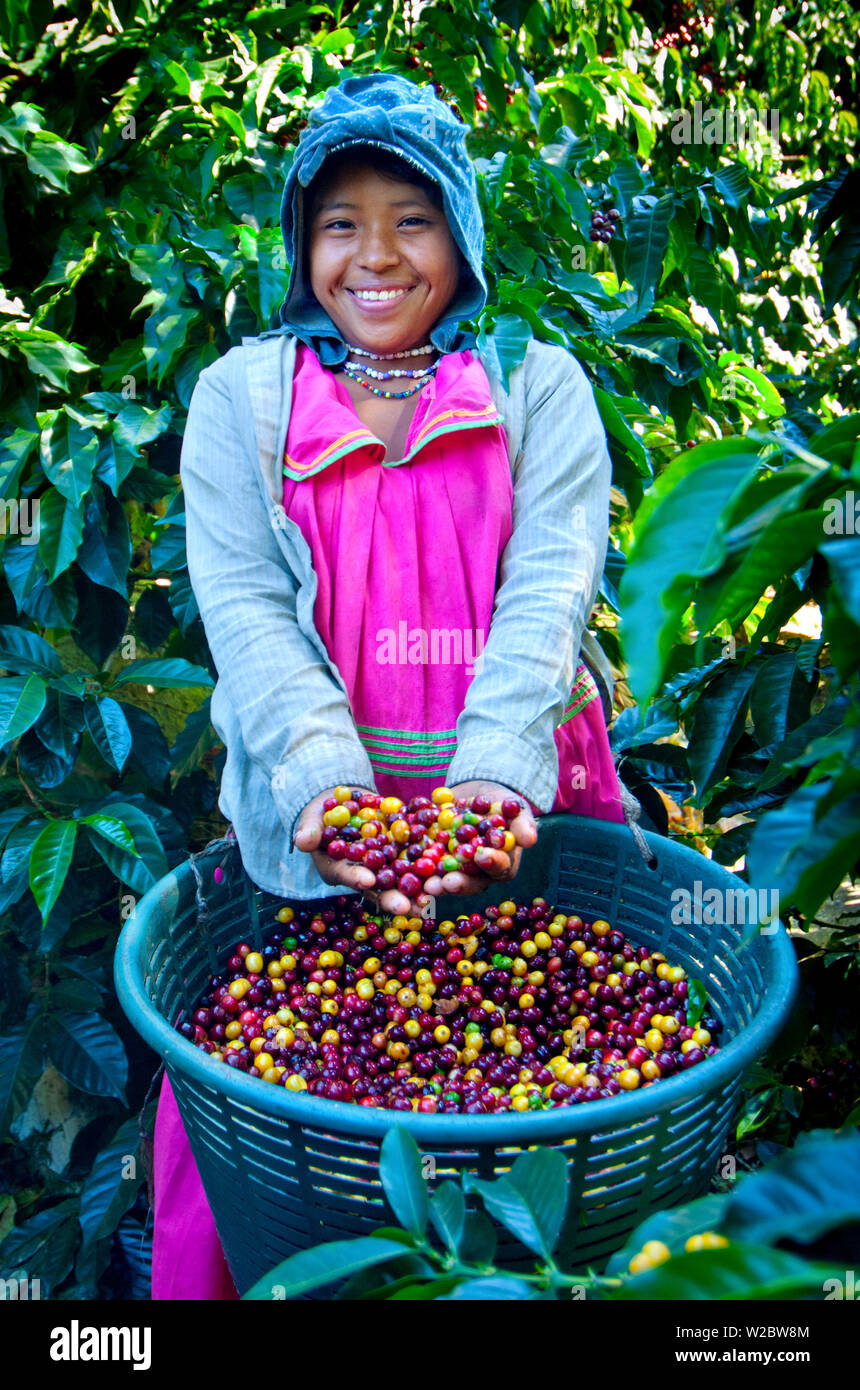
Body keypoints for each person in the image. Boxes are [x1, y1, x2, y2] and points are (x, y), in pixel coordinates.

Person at [151, 71, 626, 1300]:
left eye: (410, 219)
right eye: (338, 222)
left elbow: (546, 595)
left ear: (460, 239)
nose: (374, 256)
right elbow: (247, 613)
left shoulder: (537, 386)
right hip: (308, 853)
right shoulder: (241, 400)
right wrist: (322, 786)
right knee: (278, 1131)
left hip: (516, 823)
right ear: (301, 239)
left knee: (531, 1109)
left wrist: (485, 785)